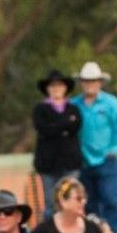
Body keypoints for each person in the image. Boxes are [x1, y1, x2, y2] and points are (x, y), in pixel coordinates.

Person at [73, 61, 117, 232]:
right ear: (82, 83)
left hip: (107, 161)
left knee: (110, 201)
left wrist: (115, 149)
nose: (90, 85)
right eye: (86, 81)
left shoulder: (112, 104)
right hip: (83, 162)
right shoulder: (74, 105)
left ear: (100, 83)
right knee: (88, 204)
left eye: (93, 81)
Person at [31, 69, 84, 204]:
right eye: (53, 86)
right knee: (51, 202)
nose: (56, 89)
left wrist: (54, 126)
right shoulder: (40, 109)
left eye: (60, 85)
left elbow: (75, 127)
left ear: (65, 88)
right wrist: (65, 124)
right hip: (48, 165)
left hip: (70, 164)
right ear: (47, 89)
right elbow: (43, 129)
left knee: (71, 199)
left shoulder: (74, 109)